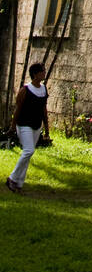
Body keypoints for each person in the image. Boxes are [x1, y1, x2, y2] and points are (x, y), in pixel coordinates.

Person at [5, 62, 50, 193]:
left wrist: (46, 128)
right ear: (35, 74)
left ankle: (18, 184)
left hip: (36, 126)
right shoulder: (25, 90)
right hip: (24, 125)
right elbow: (18, 110)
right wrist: (13, 127)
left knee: (28, 154)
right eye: (42, 71)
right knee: (29, 150)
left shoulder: (43, 89)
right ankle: (12, 178)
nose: (44, 73)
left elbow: (44, 109)